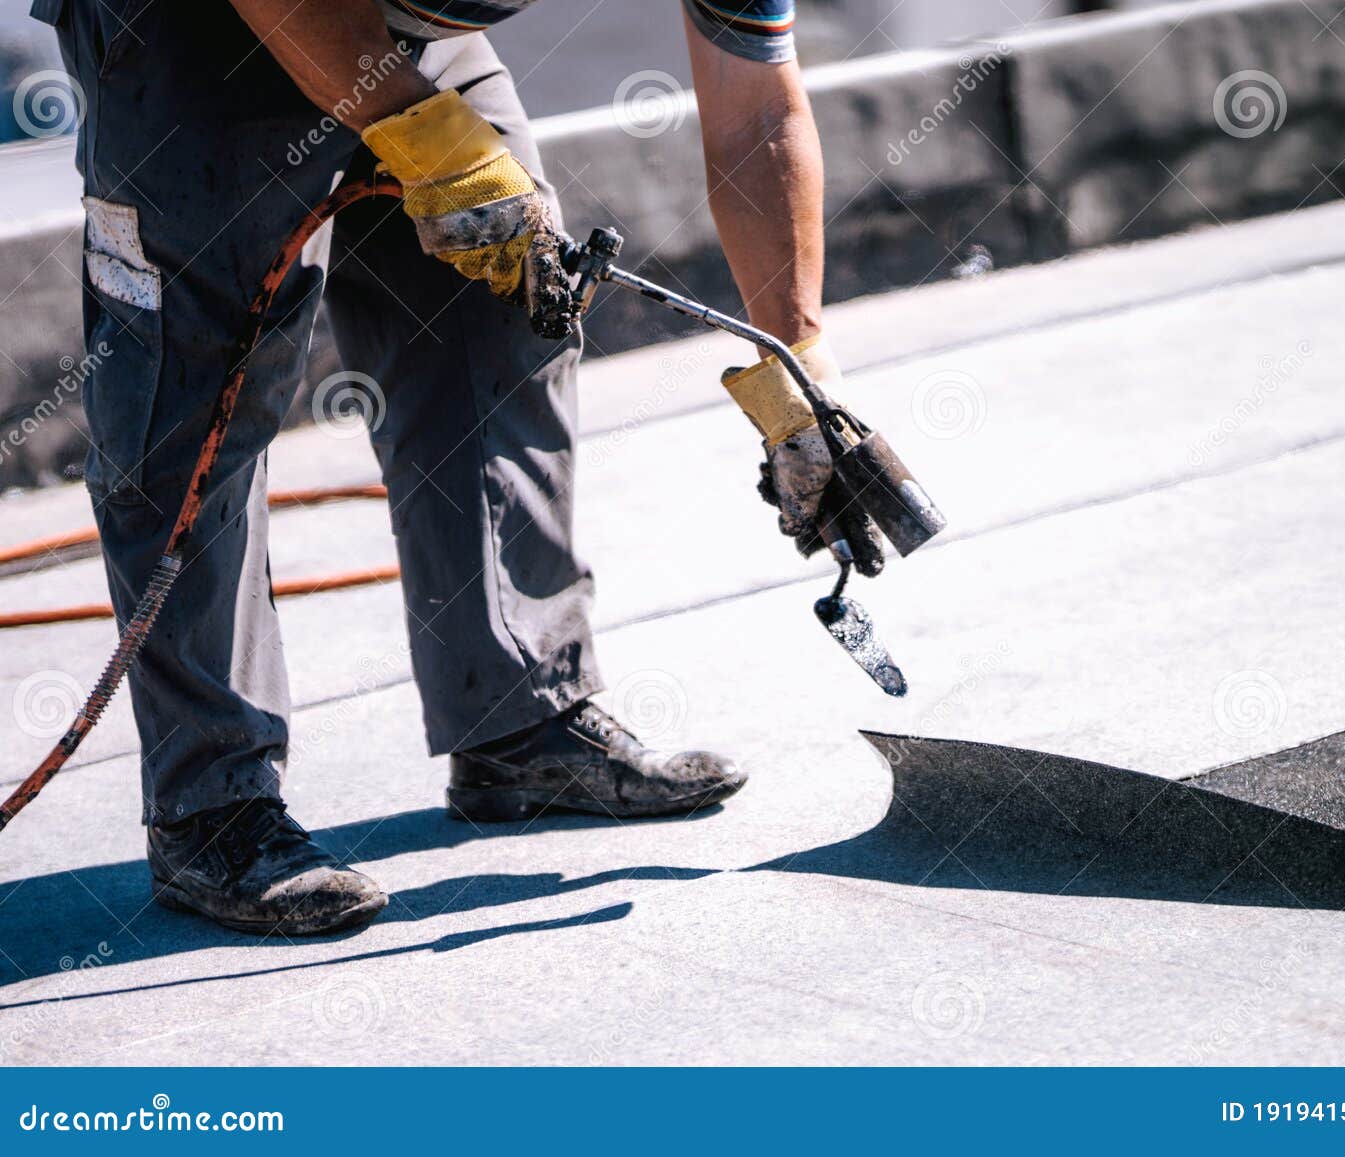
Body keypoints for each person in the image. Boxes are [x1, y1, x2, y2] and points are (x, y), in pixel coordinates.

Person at [34, 0, 880, 935]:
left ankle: (518, 716)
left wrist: (799, 369)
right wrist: (416, 129)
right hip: (193, 30)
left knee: (511, 298)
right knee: (197, 386)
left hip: (403, 26)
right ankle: (212, 806)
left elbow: (756, 106)